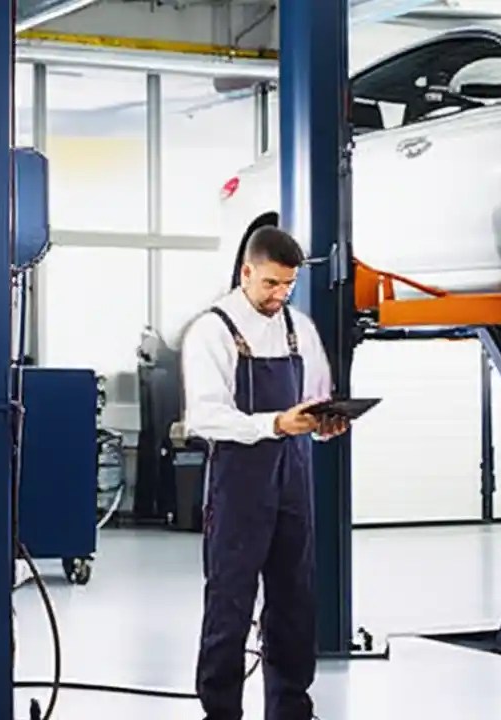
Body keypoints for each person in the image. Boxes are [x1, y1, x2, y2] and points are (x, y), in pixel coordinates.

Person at [180, 226, 346, 720]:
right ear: (246, 271)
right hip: (239, 483)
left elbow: (316, 396)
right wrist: (274, 423)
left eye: (288, 286)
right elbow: (204, 417)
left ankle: (292, 709)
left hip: (294, 478)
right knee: (230, 602)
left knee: (295, 601)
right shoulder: (212, 330)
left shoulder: (300, 328)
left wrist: (325, 424)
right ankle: (221, 711)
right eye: (271, 283)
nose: (280, 295)